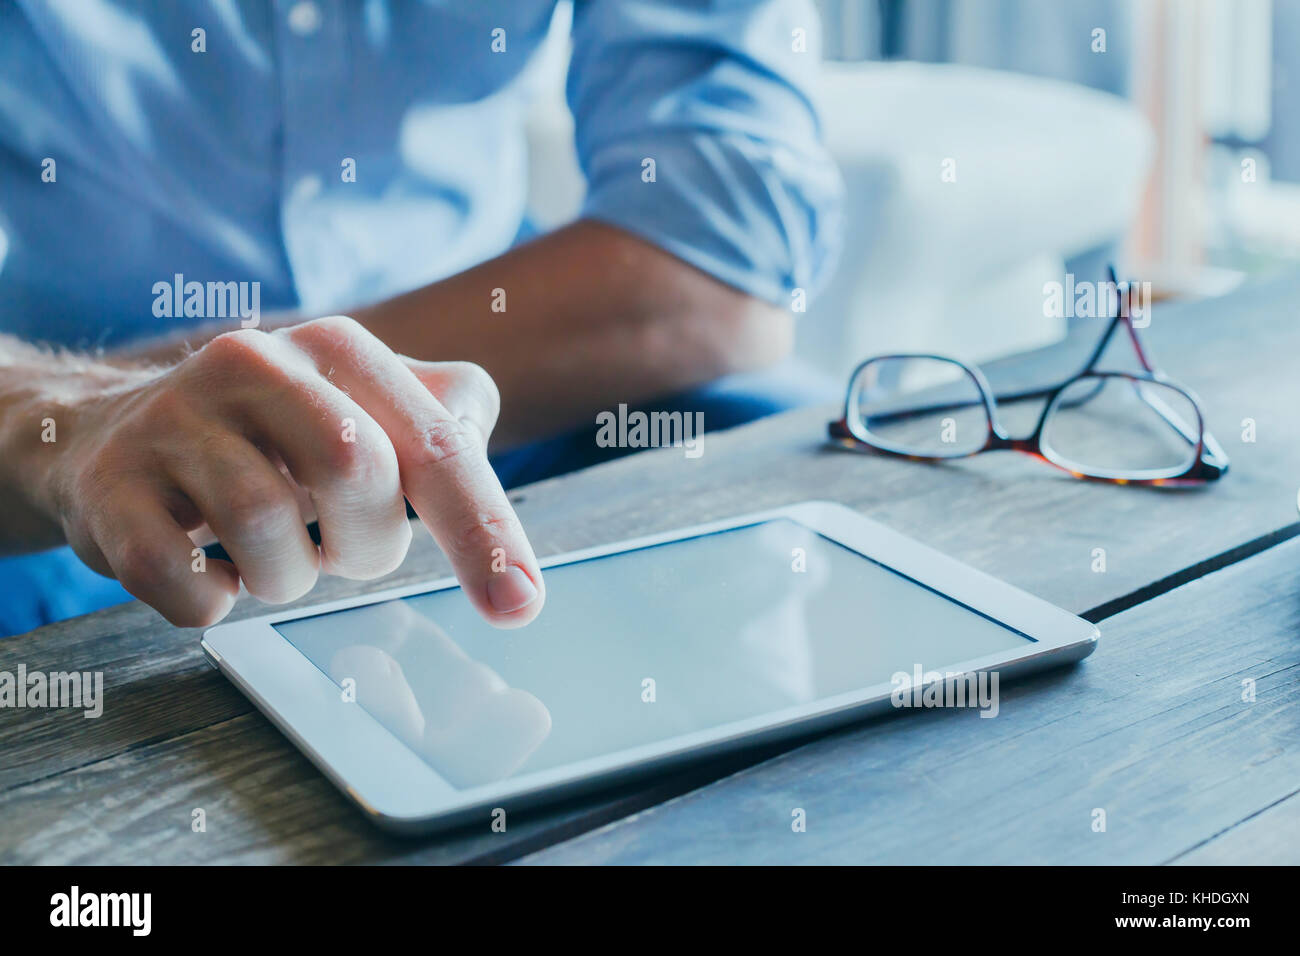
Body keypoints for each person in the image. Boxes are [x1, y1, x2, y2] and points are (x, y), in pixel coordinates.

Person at [0, 0, 842, 635]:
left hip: (523, 385)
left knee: (793, 454)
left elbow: (722, 254)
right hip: (88, 440)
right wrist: (66, 415)